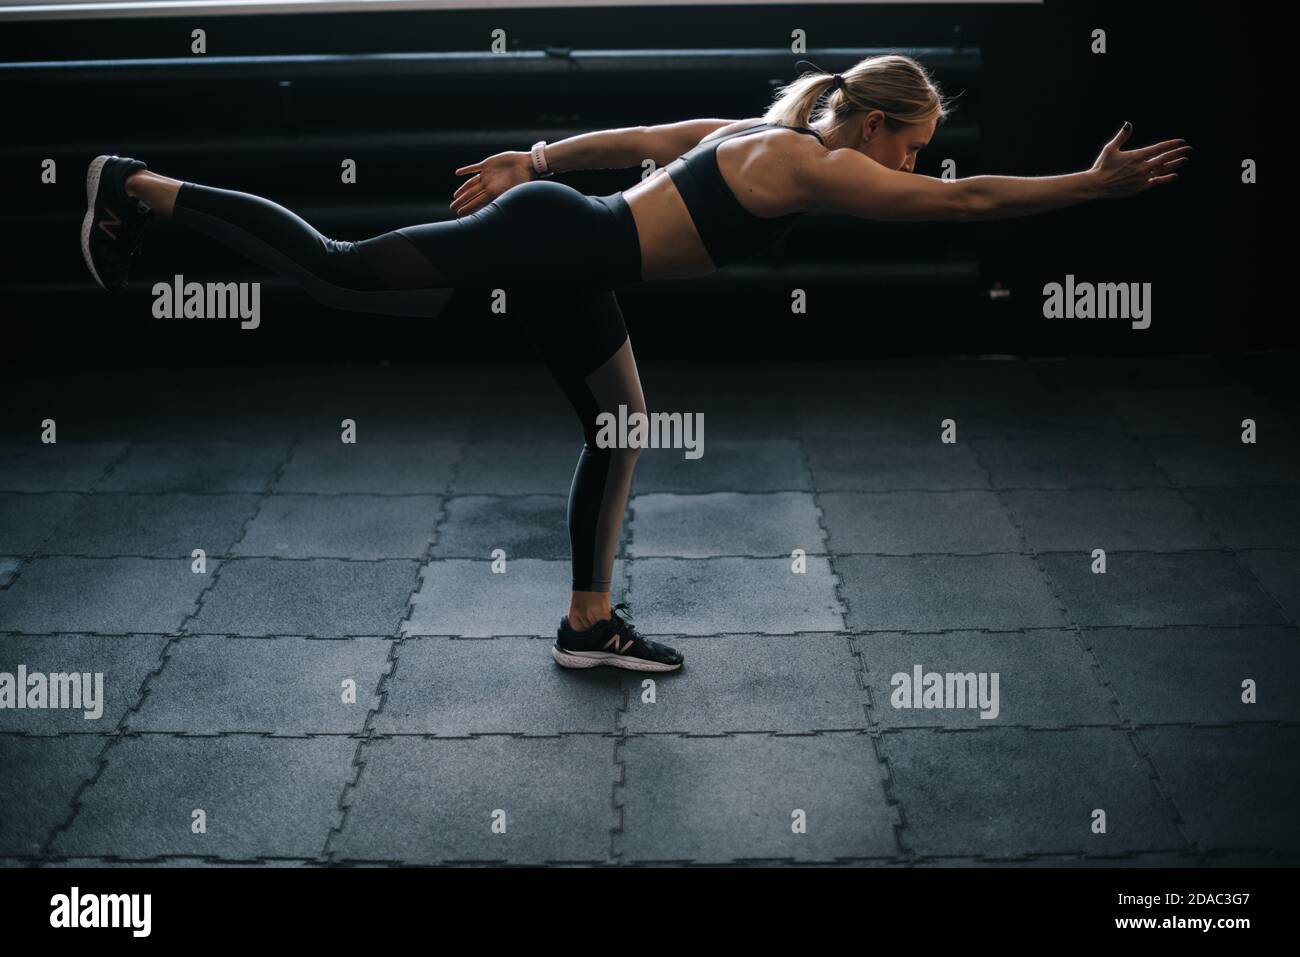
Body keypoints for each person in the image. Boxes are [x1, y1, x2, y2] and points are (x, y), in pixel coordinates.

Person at [80, 54, 1188, 673]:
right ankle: (137, 186)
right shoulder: (815, 165)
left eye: (921, 149)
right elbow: (968, 200)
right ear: (881, 125)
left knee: (619, 429)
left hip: (571, 239)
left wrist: (537, 154)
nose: (918, 160)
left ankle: (586, 625)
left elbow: (653, 135)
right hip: (560, 243)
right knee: (335, 269)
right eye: (913, 141)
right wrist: (1090, 188)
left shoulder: (772, 130)